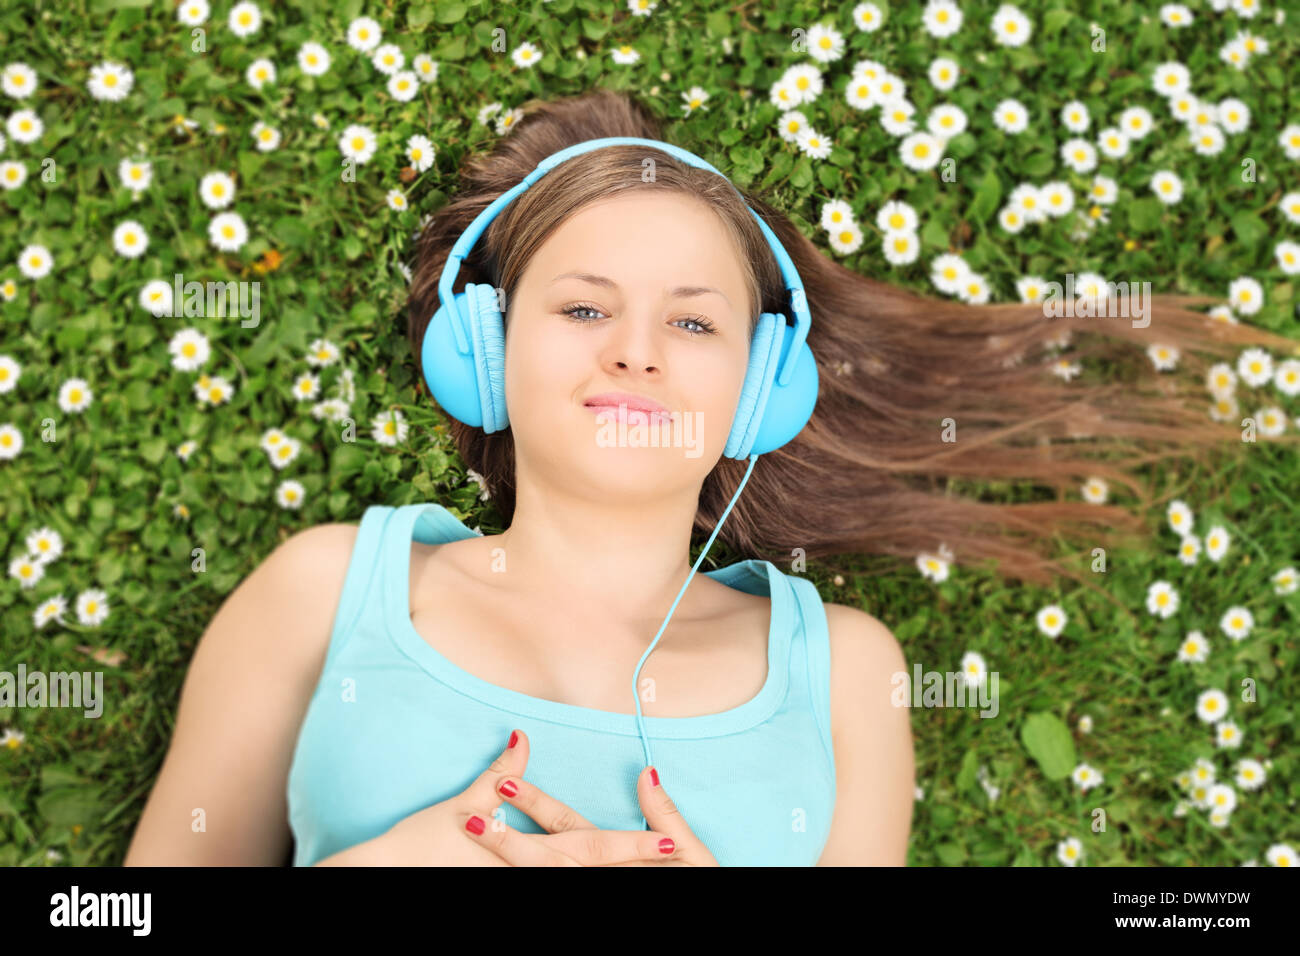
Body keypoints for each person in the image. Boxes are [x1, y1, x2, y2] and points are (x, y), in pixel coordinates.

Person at [124, 88, 1291, 867]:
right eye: (584, 306)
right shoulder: (329, 591)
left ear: (761, 385)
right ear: (481, 350)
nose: (632, 348)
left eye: (693, 324)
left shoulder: (842, 671)